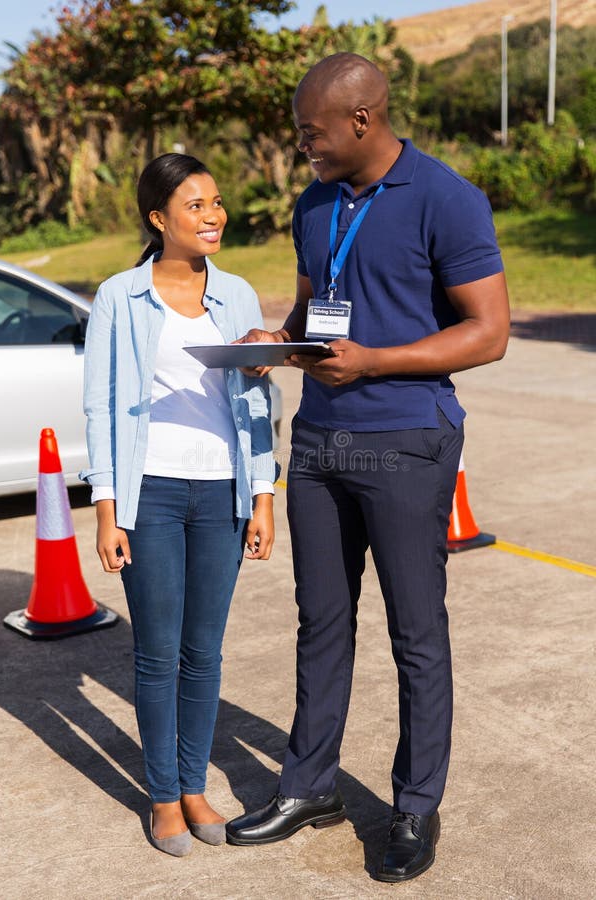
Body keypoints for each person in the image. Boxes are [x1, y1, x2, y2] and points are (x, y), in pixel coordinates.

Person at [225, 53, 510, 883]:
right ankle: (309, 786)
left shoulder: (447, 198)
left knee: (416, 635)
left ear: (361, 119)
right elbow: (315, 308)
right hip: (318, 441)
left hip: (406, 439)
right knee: (321, 623)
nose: (301, 146)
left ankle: (416, 807)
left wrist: (376, 361)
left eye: (311, 133)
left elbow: (488, 332)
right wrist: (274, 346)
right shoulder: (313, 203)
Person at [80, 153, 277, 856]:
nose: (214, 215)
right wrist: (108, 510)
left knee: (205, 653)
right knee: (159, 654)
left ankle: (195, 785)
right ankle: (163, 795)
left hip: (222, 493)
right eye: (195, 206)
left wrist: (263, 495)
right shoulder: (119, 298)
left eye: (216, 202)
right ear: (159, 219)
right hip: (151, 493)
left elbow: (259, 400)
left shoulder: (239, 297)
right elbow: (100, 405)